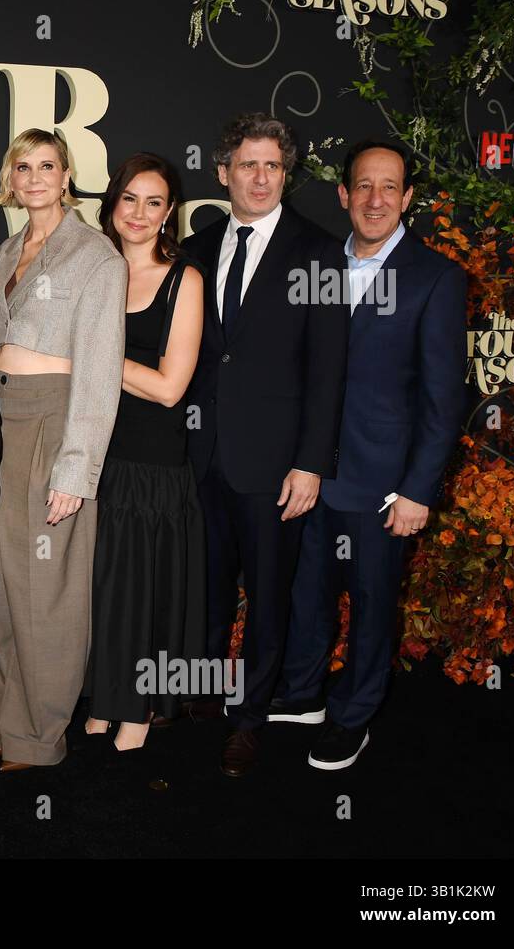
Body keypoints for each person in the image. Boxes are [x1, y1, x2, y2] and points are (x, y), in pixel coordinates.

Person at [272, 140, 466, 769]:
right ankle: (301, 694)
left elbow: (443, 398)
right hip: (310, 472)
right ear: (343, 195)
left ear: (407, 198)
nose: (375, 199)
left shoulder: (436, 277)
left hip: (383, 482)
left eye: (389, 188)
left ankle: (353, 714)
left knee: (374, 602)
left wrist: (417, 490)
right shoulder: (317, 266)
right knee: (307, 591)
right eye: (363, 186)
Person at [181, 112, 349, 777]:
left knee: (269, 596)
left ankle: (249, 718)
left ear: (287, 173)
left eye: (272, 166)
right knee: (209, 586)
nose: (259, 177)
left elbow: (330, 368)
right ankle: (201, 691)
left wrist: (311, 462)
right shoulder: (199, 244)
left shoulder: (321, 251)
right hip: (203, 454)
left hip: (277, 463)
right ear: (223, 172)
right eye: (247, 164)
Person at [0, 128, 128, 770]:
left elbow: (99, 372)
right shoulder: (6, 250)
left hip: (55, 423)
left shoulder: (98, 257)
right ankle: (0, 723)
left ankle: (38, 738)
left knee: (49, 590)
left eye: (47, 166)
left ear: (67, 176)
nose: (34, 177)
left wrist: (76, 468)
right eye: (23, 166)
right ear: (10, 178)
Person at [86, 153, 205, 749]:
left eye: (153, 202)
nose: (138, 213)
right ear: (112, 204)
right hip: (93, 455)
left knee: (140, 589)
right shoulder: (92, 268)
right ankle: (104, 698)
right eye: (129, 198)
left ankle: (137, 707)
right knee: (100, 586)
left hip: (151, 461)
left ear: (169, 213)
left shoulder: (185, 279)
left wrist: (93, 357)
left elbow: (168, 388)